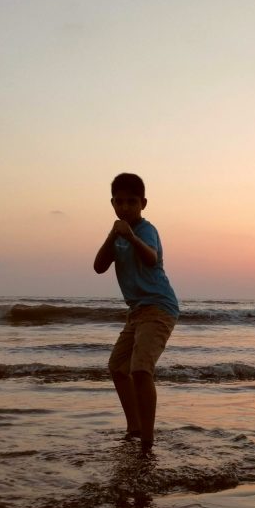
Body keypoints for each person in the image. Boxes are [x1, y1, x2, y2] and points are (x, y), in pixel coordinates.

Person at [93, 172, 179, 448]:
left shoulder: (145, 230)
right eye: (119, 202)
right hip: (137, 311)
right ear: (112, 204)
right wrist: (113, 235)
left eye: (132, 202)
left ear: (143, 203)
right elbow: (98, 266)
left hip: (159, 306)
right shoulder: (117, 234)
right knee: (118, 367)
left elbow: (151, 258)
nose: (125, 207)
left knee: (141, 369)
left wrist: (130, 236)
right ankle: (135, 426)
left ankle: (148, 442)